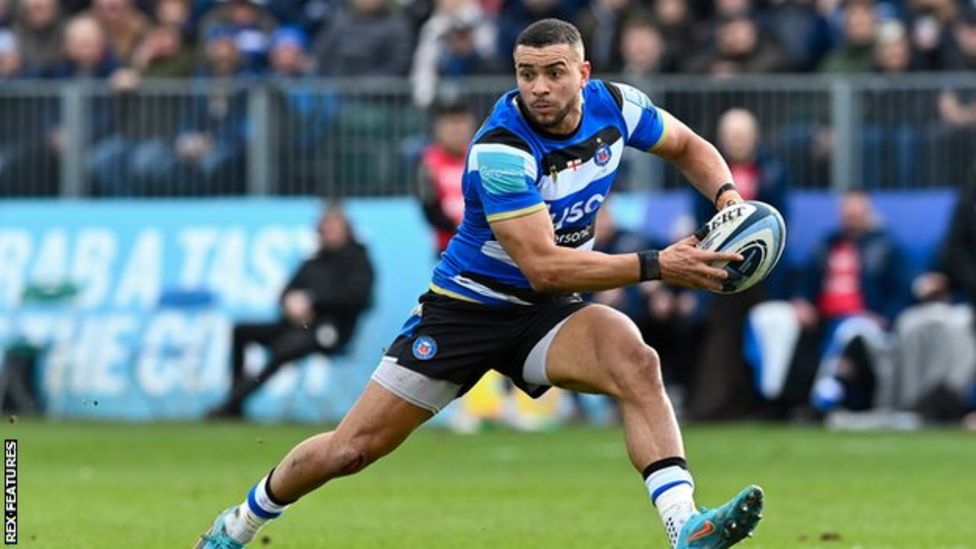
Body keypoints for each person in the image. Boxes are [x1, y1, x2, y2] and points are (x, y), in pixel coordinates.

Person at [196, 19, 764, 549]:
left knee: (635, 360)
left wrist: (729, 201)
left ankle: (685, 526)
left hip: (545, 312)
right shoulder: (500, 149)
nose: (538, 87)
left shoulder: (617, 105)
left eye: (554, 72)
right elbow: (544, 264)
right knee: (351, 450)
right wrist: (659, 265)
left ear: (584, 75)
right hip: (467, 310)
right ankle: (239, 523)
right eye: (527, 73)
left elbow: (689, 146)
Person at [206, 204, 375, 418]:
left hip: (333, 330)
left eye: (333, 227)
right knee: (241, 331)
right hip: (296, 325)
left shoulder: (358, 262)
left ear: (346, 230)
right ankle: (236, 401)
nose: (327, 232)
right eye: (324, 228)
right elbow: (287, 290)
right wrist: (290, 302)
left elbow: (358, 298)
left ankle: (233, 403)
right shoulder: (312, 261)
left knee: (285, 348)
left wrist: (313, 303)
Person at [416, 99, 476, 255]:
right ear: (438, 128)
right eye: (450, 123)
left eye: (461, 122)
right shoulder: (428, 162)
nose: (456, 130)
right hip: (449, 248)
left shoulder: (480, 157)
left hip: (484, 246)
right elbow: (429, 208)